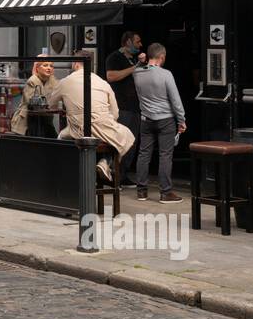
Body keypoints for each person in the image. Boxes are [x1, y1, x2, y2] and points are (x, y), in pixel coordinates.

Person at [55, 51, 137, 185]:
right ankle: (105, 163)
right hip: (102, 128)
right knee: (126, 136)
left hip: (77, 130)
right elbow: (115, 113)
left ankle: (66, 173)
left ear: (75, 64)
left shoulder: (65, 82)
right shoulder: (103, 83)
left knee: (60, 137)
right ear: (91, 64)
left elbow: (51, 102)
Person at [132, 43, 187, 203]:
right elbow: (175, 100)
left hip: (146, 119)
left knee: (144, 154)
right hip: (166, 120)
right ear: (162, 57)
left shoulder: (137, 73)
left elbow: (139, 68)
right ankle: (166, 192)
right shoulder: (166, 74)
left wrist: (141, 62)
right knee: (165, 155)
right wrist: (181, 120)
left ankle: (141, 191)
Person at [105, 30, 146, 183]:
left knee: (132, 142)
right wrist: (134, 68)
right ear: (128, 42)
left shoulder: (135, 59)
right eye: (137, 42)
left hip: (136, 107)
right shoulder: (114, 57)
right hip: (121, 107)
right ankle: (113, 175)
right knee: (119, 141)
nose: (140, 45)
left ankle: (123, 175)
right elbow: (111, 76)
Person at [8, 56, 61, 137]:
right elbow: (33, 102)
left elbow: (58, 97)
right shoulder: (32, 81)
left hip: (45, 120)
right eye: (45, 65)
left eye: (51, 66)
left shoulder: (53, 82)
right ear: (37, 68)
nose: (49, 68)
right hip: (28, 122)